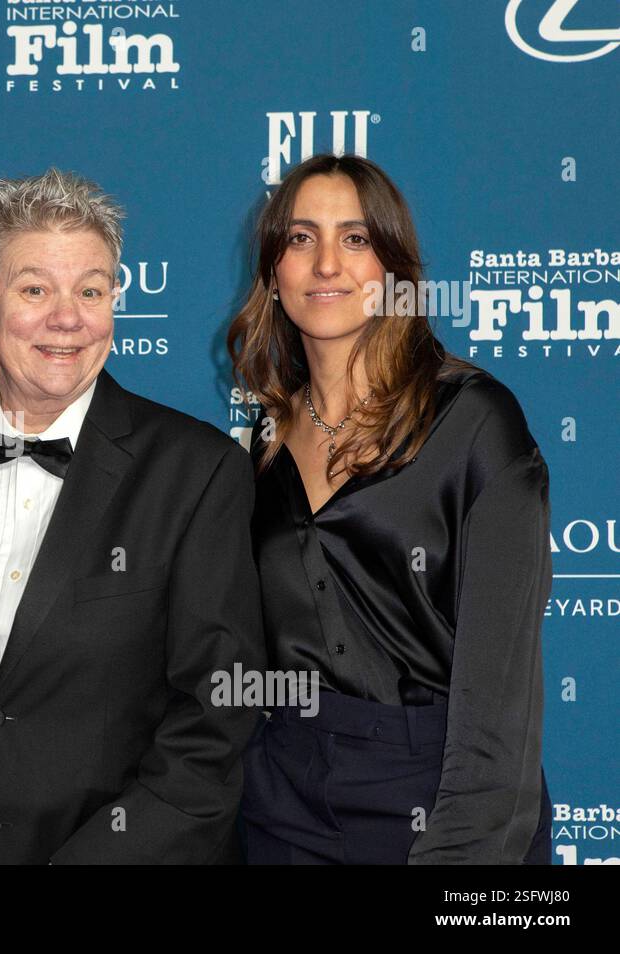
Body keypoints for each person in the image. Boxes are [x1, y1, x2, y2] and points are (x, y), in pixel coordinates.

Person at [0, 168, 265, 864]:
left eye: (90, 289)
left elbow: (215, 717)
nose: (67, 317)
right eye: (34, 289)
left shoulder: (195, 471)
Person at [228, 153, 552, 864]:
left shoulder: (476, 423)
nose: (325, 266)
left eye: (355, 238)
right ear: (272, 274)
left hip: (441, 793)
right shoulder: (263, 439)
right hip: (282, 805)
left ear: (395, 271)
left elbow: (499, 698)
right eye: (300, 238)